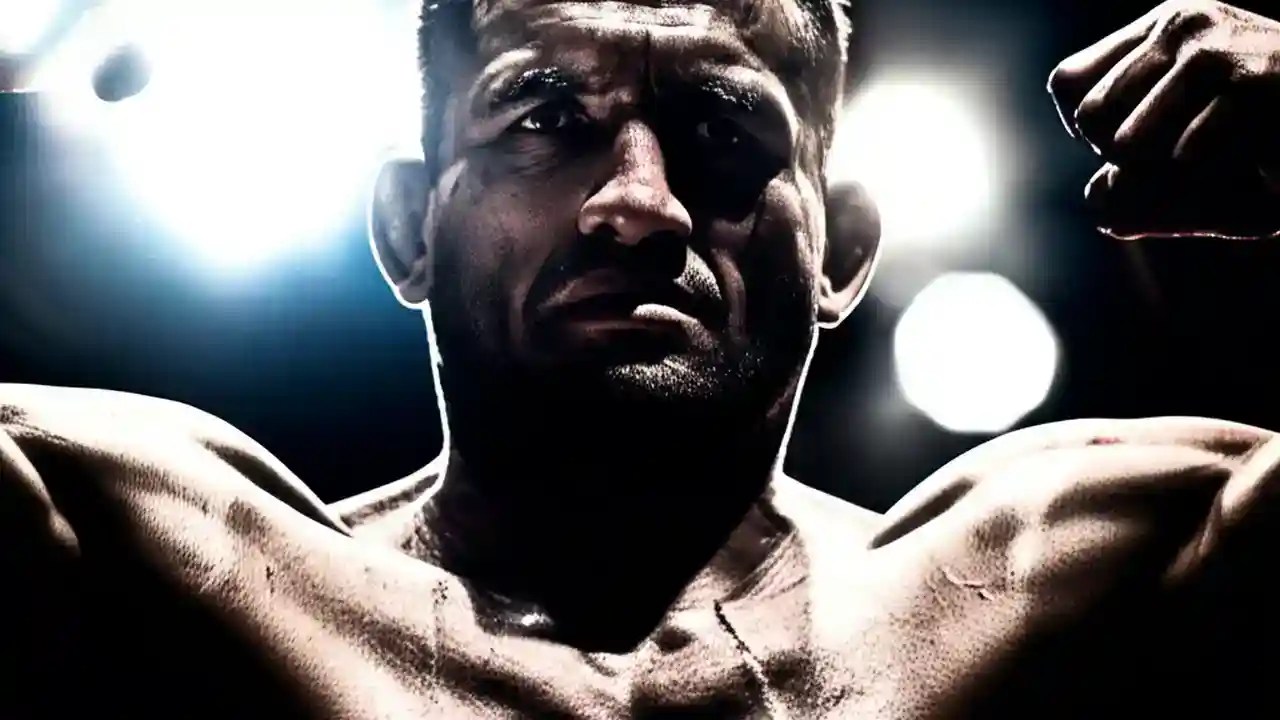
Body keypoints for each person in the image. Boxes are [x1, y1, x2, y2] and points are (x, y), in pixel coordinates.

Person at [3, 0, 1279, 717]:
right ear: (406, 229)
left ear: (840, 251)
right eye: (543, 123)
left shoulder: (1058, 577)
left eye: (719, 135)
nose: (638, 206)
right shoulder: (190, 567)